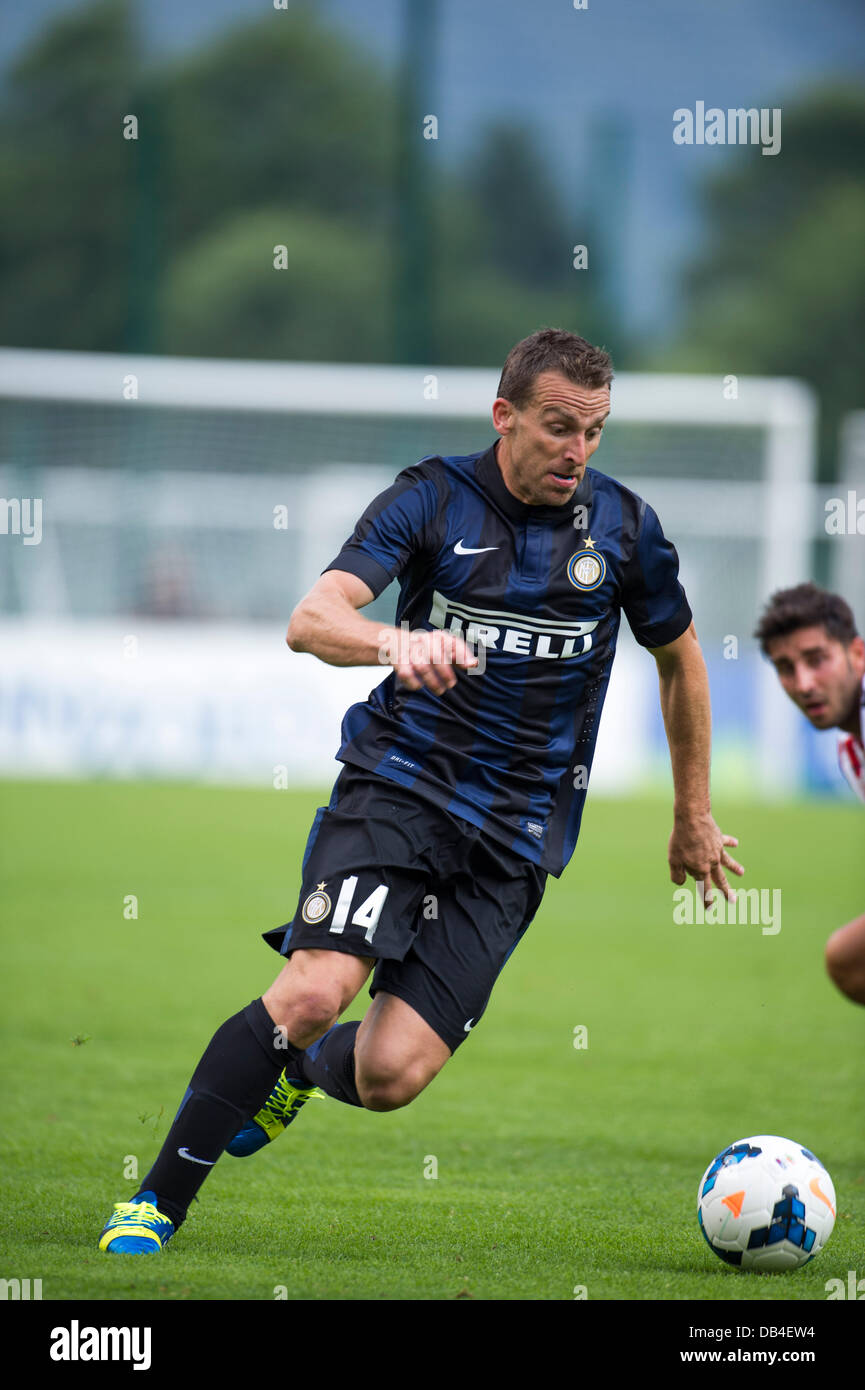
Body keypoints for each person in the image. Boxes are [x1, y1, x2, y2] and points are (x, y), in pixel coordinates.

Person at [99, 327, 742, 1254]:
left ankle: (299, 1074)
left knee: (393, 1072)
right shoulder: (431, 498)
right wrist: (395, 643)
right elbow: (311, 619)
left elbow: (680, 661)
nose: (577, 450)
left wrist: (692, 814)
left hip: (518, 833)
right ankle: (154, 1202)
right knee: (317, 987)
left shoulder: (626, 531)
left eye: (593, 431)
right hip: (400, 786)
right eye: (558, 426)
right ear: (504, 414)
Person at [754, 582, 865, 1005]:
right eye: (786, 667)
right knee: (849, 960)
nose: (803, 683)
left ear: (857, 654)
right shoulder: (850, 750)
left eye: (817, 660)